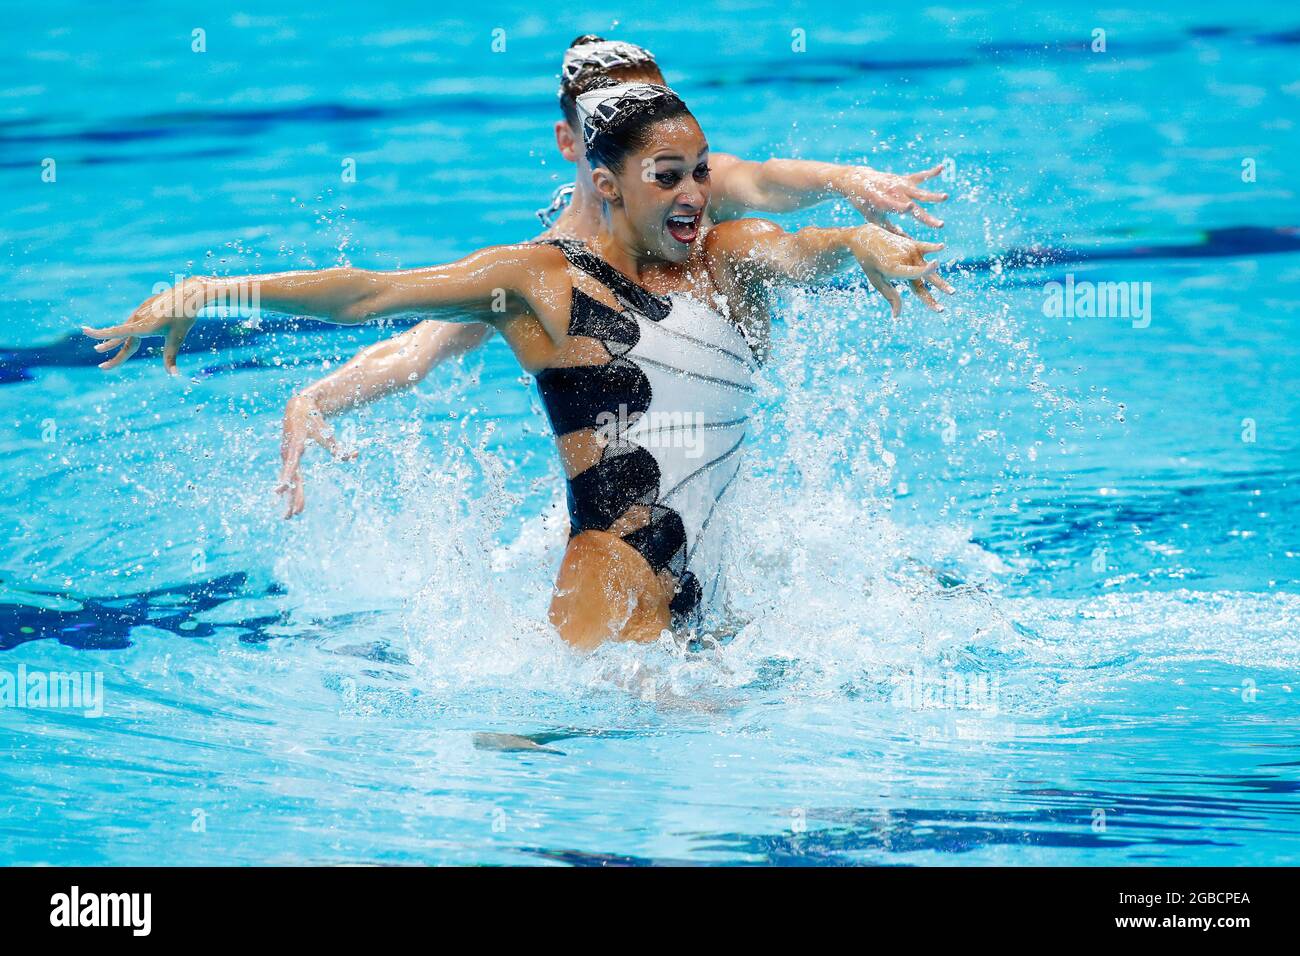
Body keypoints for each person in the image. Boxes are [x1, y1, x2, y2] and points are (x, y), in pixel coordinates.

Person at [83, 82, 950, 649]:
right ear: (606, 181)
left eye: (699, 174)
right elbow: (372, 296)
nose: (693, 193)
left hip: (710, 617)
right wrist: (212, 292)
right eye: (667, 176)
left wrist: (861, 237)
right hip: (610, 601)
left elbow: (804, 248)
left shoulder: (726, 256)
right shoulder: (538, 280)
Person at [251, 34, 950, 513]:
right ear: (572, 144)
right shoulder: (544, 271)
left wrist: (853, 187)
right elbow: (417, 346)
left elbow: (768, 184)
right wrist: (315, 398)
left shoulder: (696, 198)